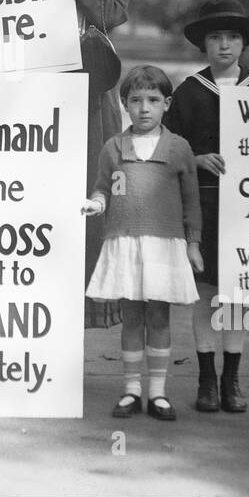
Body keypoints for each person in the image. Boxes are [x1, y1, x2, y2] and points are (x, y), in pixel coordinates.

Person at [61, 0, 160, 328]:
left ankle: (81, 301)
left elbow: (106, 14)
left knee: (84, 188)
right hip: (32, 84)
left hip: (88, 92)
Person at [164, 0, 249, 413]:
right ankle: (207, 379)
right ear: (203, 44)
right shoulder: (189, 91)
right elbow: (168, 147)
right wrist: (196, 158)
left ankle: (232, 378)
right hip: (204, 203)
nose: (224, 45)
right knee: (206, 291)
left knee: (239, 293)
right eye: (215, 37)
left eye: (233, 37)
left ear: (243, 43)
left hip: (247, 208)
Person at [82, 65, 204, 420]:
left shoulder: (179, 149)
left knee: (159, 317)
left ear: (167, 104)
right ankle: (132, 390)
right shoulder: (114, 148)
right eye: (135, 100)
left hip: (164, 245)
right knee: (132, 317)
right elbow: (104, 187)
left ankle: (158, 392)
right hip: (126, 242)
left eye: (153, 100)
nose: (145, 108)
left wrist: (193, 244)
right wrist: (96, 203)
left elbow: (191, 201)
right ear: (124, 105)